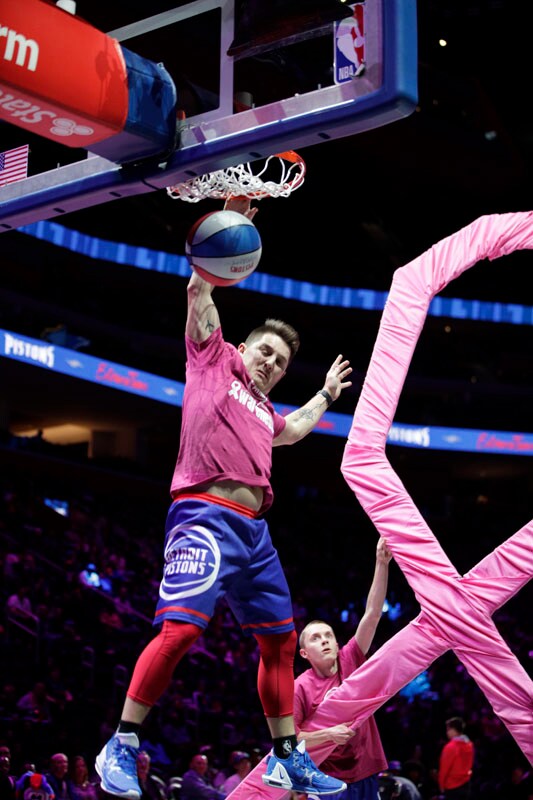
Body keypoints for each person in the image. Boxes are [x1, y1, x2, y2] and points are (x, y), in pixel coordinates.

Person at [95, 196, 352, 800]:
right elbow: (198, 293)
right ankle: (123, 741)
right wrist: (232, 223)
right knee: (182, 633)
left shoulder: (266, 411)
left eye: (281, 363)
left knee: (282, 643)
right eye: (266, 351)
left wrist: (325, 395)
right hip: (203, 518)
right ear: (246, 345)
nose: (270, 364)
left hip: (255, 534)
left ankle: (288, 755)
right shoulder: (213, 359)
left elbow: (291, 430)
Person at [294, 538, 393, 800]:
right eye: (315, 638)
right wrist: (329, 734)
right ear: (304, 653)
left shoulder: (351, 657)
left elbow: (372, 614)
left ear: (337, 643)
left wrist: (381, 563)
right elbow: (291, 739)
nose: (324, 639)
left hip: (366, 769)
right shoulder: (300, 687)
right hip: (327, 778)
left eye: (328, 635)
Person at [438, 717, 474, 799]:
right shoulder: (470, 745)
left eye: (448, 730)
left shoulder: (450, 747)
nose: (447, 732)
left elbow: (444, 768)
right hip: (466, 784)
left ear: (453, 730)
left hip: (452, 786)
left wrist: (441, 785)